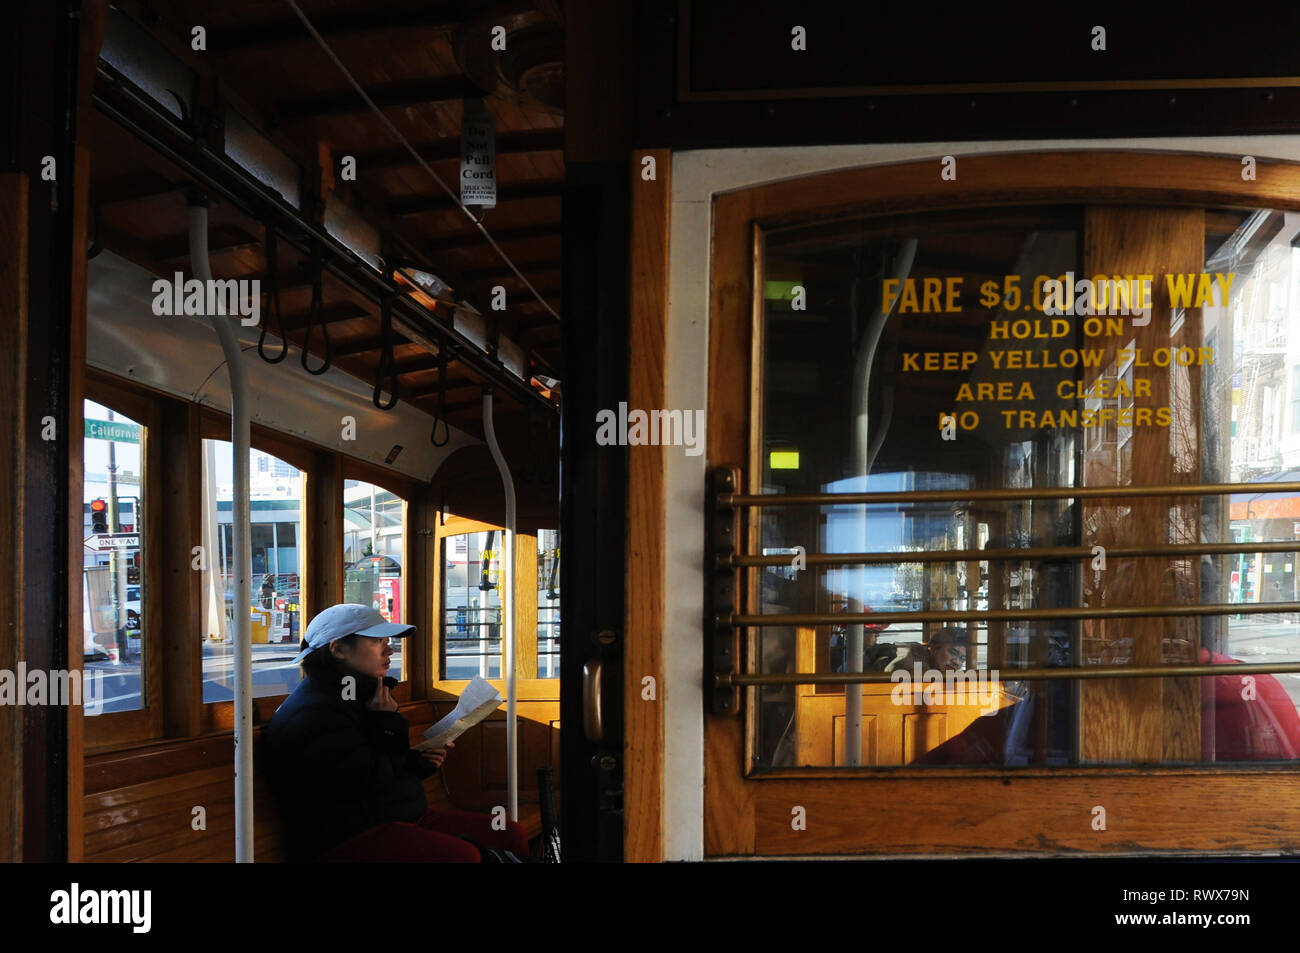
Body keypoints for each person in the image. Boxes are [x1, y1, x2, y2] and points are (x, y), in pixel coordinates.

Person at [267, 603, 530, 862]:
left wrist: (418, 762)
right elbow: (363, 781)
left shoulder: (357, 695)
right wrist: (386, 722)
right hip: (347, 836)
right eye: (377, 641)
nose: (389, 650)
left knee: (508, 833)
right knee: (464, 856)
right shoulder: (314, 713)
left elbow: (375, 766)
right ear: (338, 649)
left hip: (393, 816)